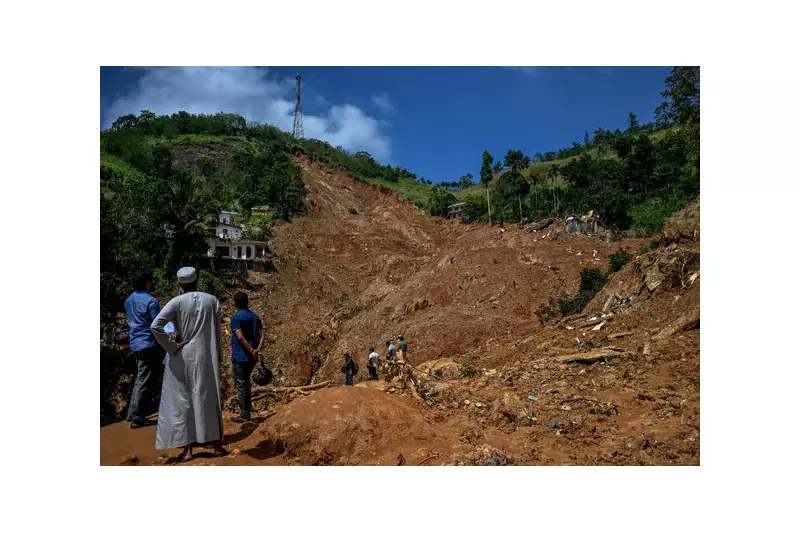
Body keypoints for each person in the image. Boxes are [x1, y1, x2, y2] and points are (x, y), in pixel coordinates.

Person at [151, 266, 227, 461]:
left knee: (183, 401)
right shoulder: (212, 301)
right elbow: (217, 331)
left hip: (182, 356)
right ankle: (217, 446)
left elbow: (156, 325)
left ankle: (187, 450)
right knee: (208, 399)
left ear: (180, 284)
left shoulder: (176, 302)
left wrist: (171, 346)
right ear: (197, 280)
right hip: (206, 357)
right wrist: (218, 355)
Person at [124, 272, 164, 429]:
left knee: (141, 377)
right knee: (145, 378)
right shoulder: (151, 301)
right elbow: (158, 323)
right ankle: (137, 417)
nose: (153, 284)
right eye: (151, 282)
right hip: (148, 343)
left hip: (135, 342)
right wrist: (174, 333)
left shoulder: (129, 299)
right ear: (146, 283)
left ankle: (132, 413)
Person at [230, 291, 262, 423]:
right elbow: (262, 335)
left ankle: (244, 414)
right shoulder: (255, 317)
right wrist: (257, 350)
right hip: (252, 357)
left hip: (241, 355)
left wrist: (250, 350)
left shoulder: (236, 318)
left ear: (235, 303)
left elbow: (240, 337)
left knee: (241, 383)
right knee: (246, 382)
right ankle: (247, 410)